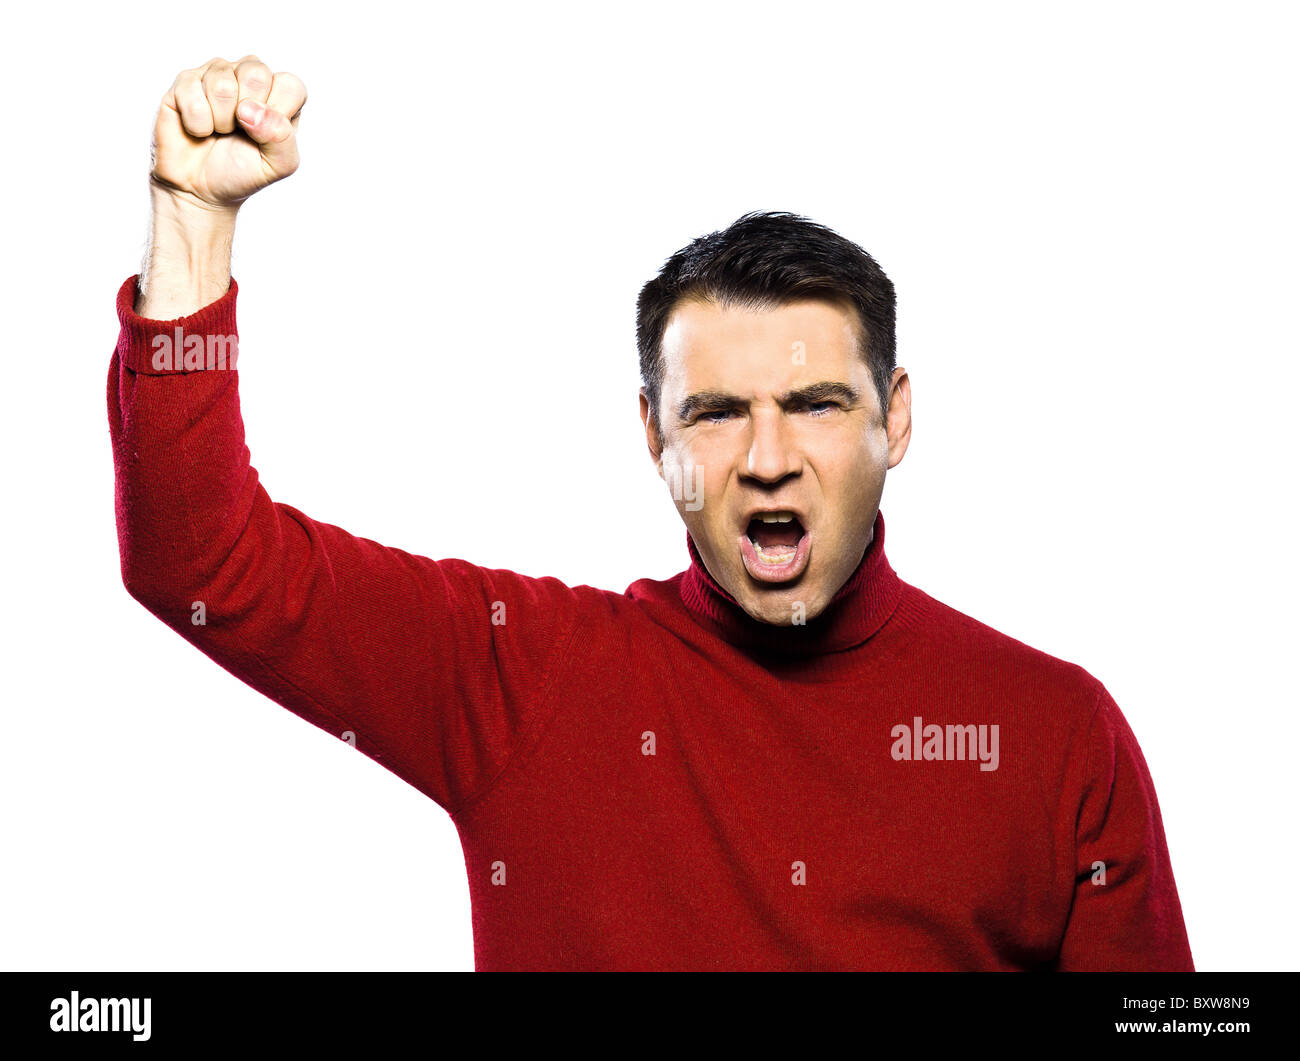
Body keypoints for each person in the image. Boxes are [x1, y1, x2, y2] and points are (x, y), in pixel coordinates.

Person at [109, 55, 1194, 971]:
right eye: (717, 414)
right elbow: (201, 563)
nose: (767, 460)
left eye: (815, 404)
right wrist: (195, 228)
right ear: (653, 437)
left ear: (893, 418)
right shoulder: (521, 679)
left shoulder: (1056, 735)